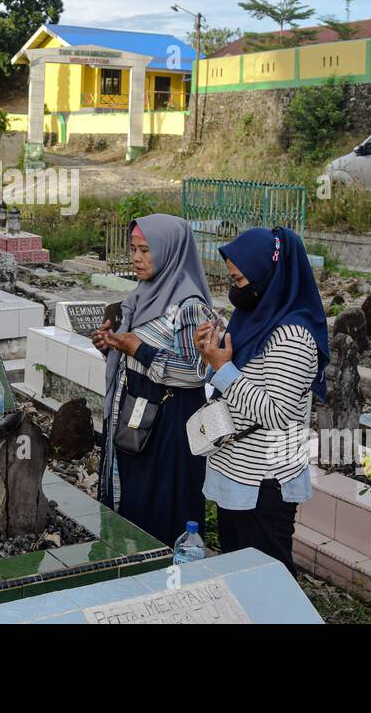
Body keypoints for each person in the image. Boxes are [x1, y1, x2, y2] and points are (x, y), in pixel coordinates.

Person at [193, 226, 328, 574]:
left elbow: (277, 413)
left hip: (265, 480)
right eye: (232, 280)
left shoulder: (293, 336)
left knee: (267, 578)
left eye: (239, 282)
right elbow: (237, 380)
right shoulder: (256, 318)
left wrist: (223, 368)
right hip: (238, 468)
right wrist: (211, 355)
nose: (234, 289)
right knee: (239, 573)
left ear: (268, 277)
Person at [93, 213, 211, 547]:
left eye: (145, 250)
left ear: (170, 251)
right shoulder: (141, 294)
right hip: (137, 413)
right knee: (134, 499)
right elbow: (132, 354)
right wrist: (111, 346)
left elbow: (196, 372)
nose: (136, 258)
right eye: (133, 249)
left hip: (170, 425)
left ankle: (164, 580)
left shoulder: (189, 307)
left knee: (162, 505)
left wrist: (140, 349)